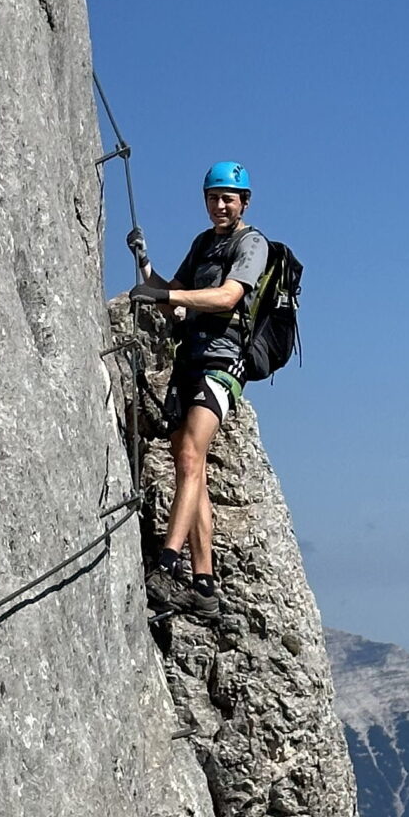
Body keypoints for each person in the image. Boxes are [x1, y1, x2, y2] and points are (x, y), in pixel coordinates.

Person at [130, 161, 268, 614]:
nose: (220, 205)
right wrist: (145, 265)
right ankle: (204, 584)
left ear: (243, 202)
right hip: (190, 360)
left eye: (229, 197)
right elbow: (173, 295)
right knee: (193, 469)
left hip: (223, 363)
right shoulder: (203, 244)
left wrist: (169, 297)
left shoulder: (251, 244)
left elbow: (228, 296)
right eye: (214, 197)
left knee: (190, 456)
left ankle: (168, 566)